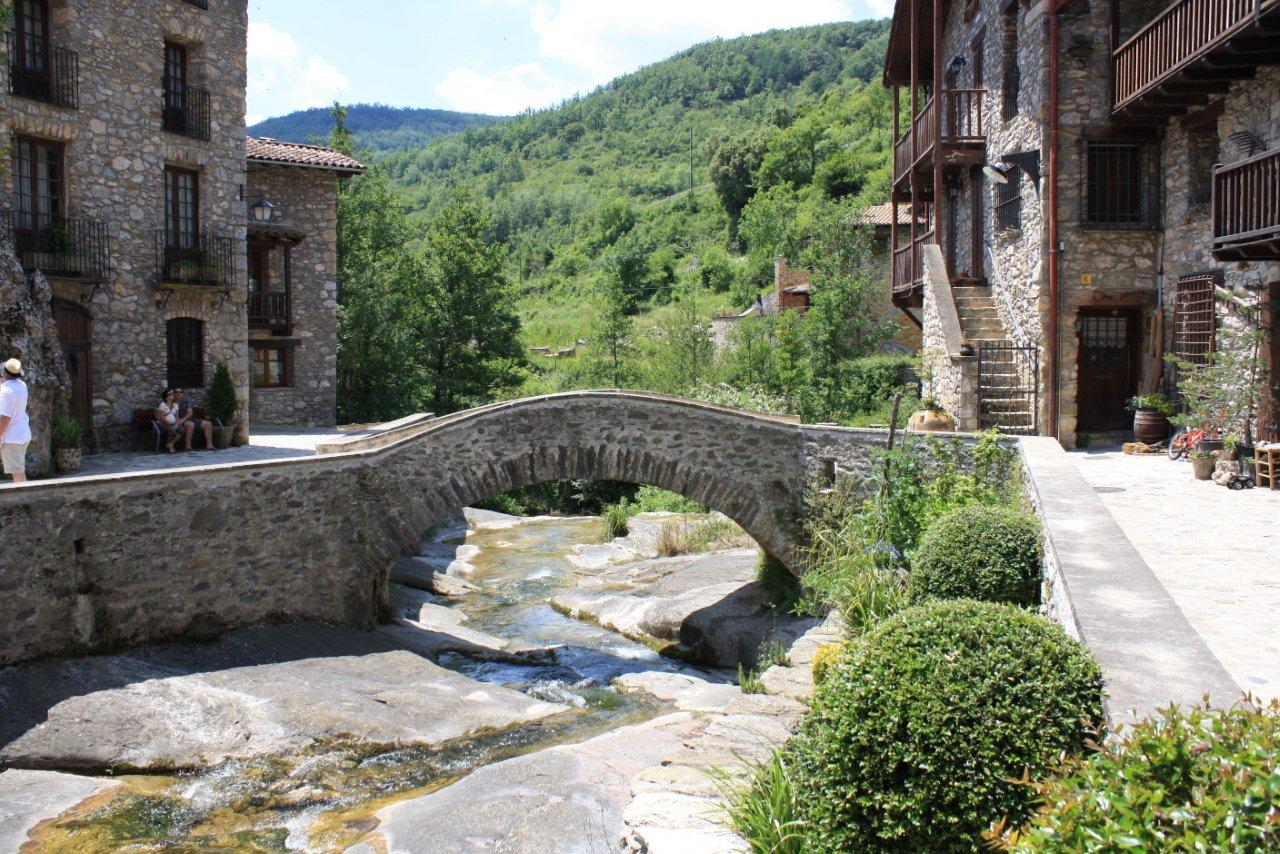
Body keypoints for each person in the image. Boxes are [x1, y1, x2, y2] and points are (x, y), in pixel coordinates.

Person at [0, 358, 31, 484]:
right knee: (19, 470)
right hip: (22, 433)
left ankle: (25, 502)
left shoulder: (6, 391)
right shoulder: (21, 385)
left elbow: (5, 417)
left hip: (11, 437)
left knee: (18, 473)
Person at [154, 388, 184, 454]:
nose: (173, 395)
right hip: (162, 424)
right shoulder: (163, 405)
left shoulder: (175, 405)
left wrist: (176, 424)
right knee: (171, 430)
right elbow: (161, 417)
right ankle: (170, 447)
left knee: (181, 429)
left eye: (173, 393)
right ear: (166, 397)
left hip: (172, 423)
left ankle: (170, 444)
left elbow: (177, 416)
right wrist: (170, 424)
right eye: (170, 394)